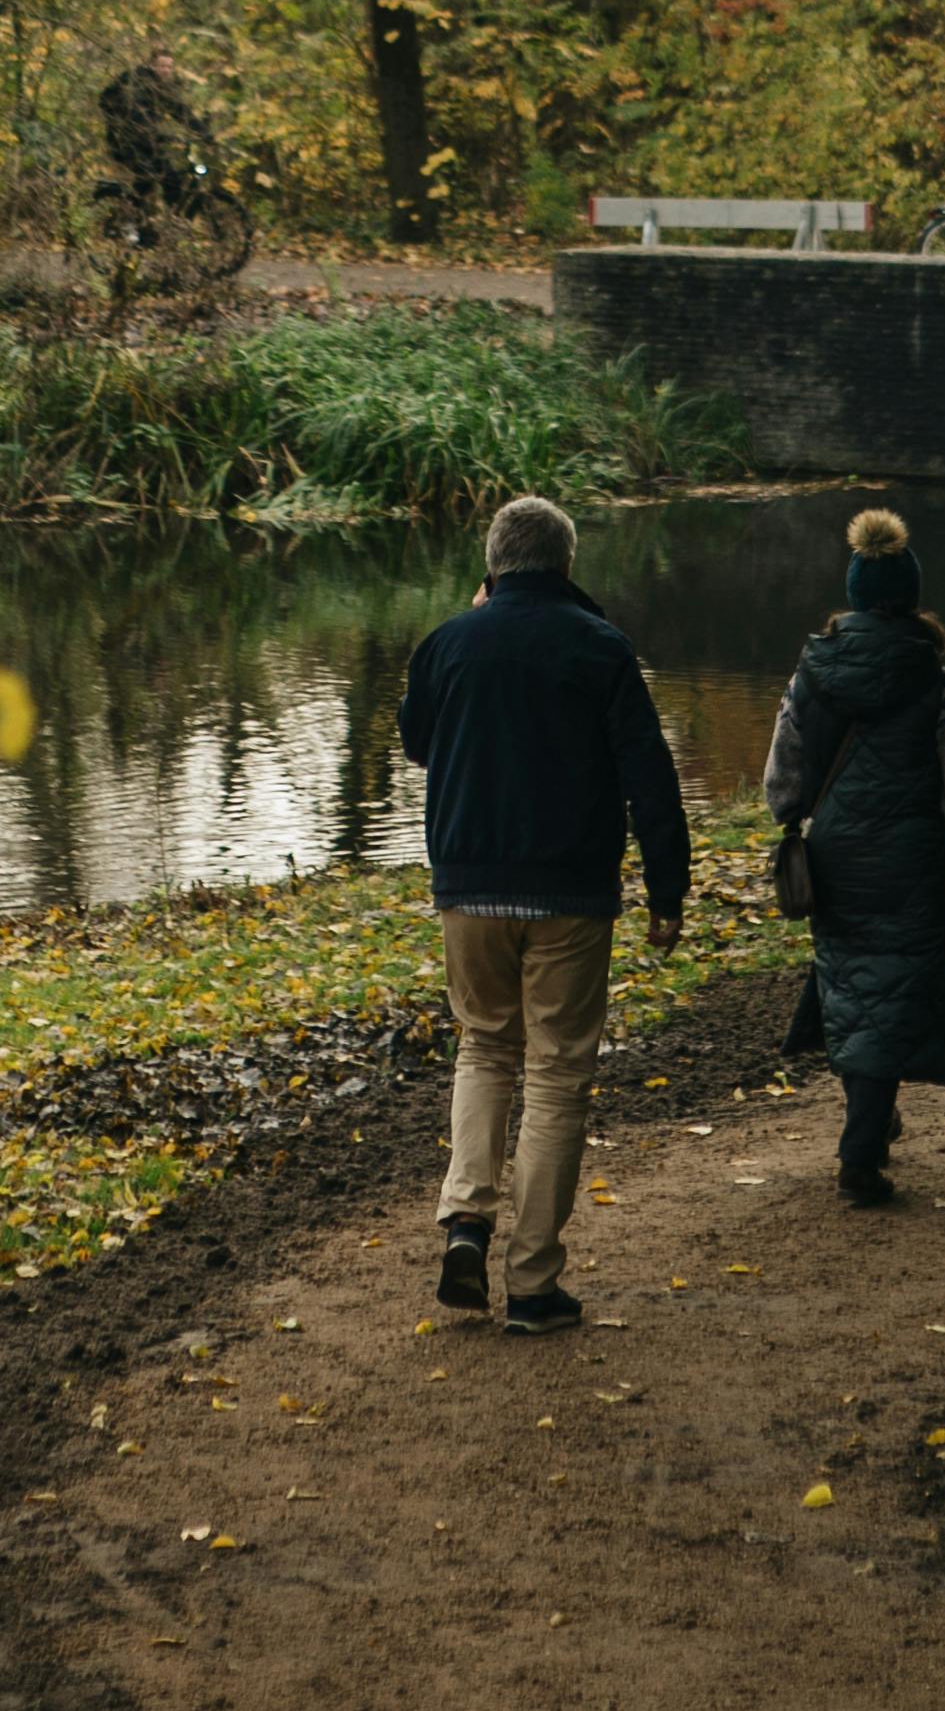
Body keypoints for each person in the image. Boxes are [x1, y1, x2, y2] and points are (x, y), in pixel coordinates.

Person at [397, 493, 691, 1335]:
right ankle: (530, 1281)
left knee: (485, 1048)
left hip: (469, 887)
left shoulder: (446, 643)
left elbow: (419, 742)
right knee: (557, 1072)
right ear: (566, 565)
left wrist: (470, 623)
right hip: (569, 893)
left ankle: (464, 1220)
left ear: (490, 567)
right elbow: (649, 776)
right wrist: (666, 890)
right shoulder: (600, 647)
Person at [763, 508, 945, 1208]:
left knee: (851, 981)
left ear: (855, 593)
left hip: (837, 857)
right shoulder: (932, 677)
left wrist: (795, 818)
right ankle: (861, 1146)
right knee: (891, 986)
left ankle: (869, 1112)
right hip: (912, 858)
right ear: (910, 596)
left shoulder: (812, 672)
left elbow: (782, 775)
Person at [96, 44, 217, 226]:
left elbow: (179, 111)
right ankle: (130, 227)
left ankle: (164, 226)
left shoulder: (159, 88)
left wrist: (204, 134)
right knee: (149, 178)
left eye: (170, 67)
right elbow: (137, 118)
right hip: (126, 143)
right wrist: (161, 136)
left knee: (172, 180)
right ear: (152, 65)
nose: (167, 71)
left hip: (147, 143)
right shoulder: (137, 83)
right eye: (162, 66)